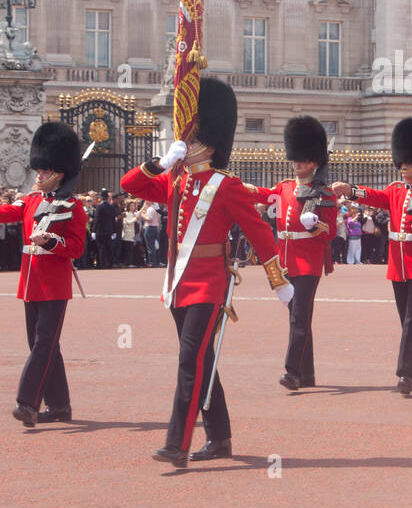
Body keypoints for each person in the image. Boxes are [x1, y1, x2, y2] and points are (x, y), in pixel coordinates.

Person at [121, 74, 292, 466]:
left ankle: (177, 443)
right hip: (179, 283)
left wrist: (277, 279)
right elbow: (129, 184)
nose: (186, 144)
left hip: (211, 284)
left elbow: (259, 231)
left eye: (192, 139)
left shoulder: (225, 185)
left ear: (208, 144)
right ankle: (220, 438)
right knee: (201, 362)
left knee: (189, 360)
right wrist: (157, 164)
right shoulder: (175, 181)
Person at [0, 122, 86, 426]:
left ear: (58, 173)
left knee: (43, 343)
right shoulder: (31, 201)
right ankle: (60, 406)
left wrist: (52, 241)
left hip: (54, 285)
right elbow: (7, 212)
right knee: (42, 344)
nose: (38, 176)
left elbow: (77, 248)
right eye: (38, 171)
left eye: (43, 172)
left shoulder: (73, 208)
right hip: (30, 282)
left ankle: (27, 402)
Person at [331, 117, 412, 396]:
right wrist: (351, 191)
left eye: (407, 162)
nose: (402, 166)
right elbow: (374, 196)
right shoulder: (395, 191)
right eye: (402, 162)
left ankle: (406, 373)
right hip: (398, 266)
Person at [251, 115, 338, 392]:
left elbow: (331, 232)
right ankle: (307, 373)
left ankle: (292, 372)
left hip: (308, 262)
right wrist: (243, 189)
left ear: (314, 161)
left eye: (302, 159)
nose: (297, 163)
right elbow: (265, 196)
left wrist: (316, 227)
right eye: (296, 159)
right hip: (284, 261)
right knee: (298, 317)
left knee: (299, 317)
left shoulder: (323, 192)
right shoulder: (285, 187)